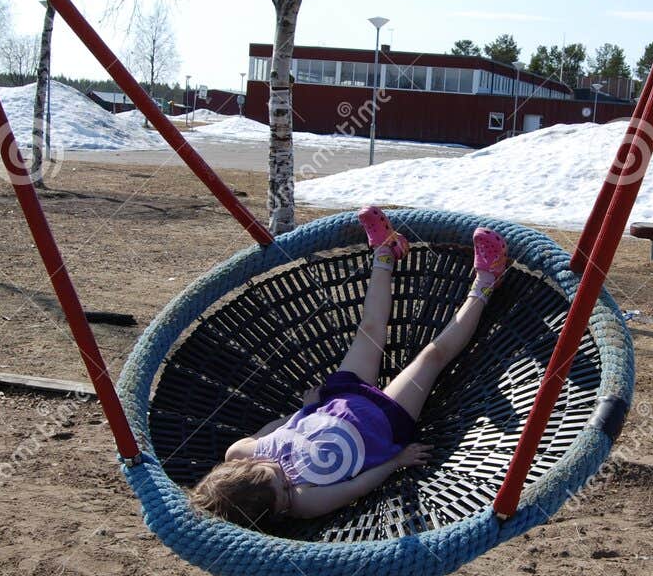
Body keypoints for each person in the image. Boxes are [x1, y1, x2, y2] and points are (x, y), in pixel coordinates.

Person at [191, 206, 508, 530]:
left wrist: (304, 411)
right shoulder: (302, 502)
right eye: (284, 494)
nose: (288, 483)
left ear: (249, 467)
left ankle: (385, 250)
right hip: (383, 424)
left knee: (369, 329)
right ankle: (486, 282)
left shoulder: (241, 452)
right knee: (431, 357)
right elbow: (357, 487)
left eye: (279, 480)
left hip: (337, 400)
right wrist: (395, 462)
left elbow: (277, 428)